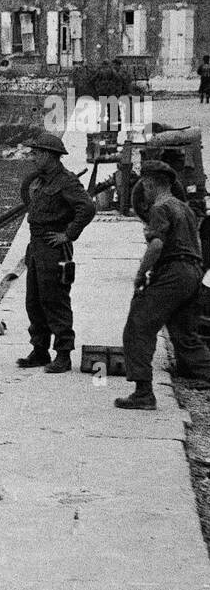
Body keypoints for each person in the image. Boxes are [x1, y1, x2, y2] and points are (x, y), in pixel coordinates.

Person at [116, 160, 210, 409]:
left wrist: (141, 273)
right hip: (193, 271)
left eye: (144, 185)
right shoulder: (184, 208)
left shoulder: (160, 207)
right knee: (184, 332)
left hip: (174, 271)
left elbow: (157, 245)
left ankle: (143, 393)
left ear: (148, 183)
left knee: (138, 324)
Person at [16, 131, 97, 373]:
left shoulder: (66, 181)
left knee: (56, 301)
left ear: (51, 156)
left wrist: (68, 233)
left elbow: (87, 208)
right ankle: (40, 350)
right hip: (36, 246)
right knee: (34, 301)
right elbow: (28, 199)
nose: (33, 158)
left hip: (54, 248)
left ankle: (63, 354)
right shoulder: (39, 180)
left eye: (37, 154)